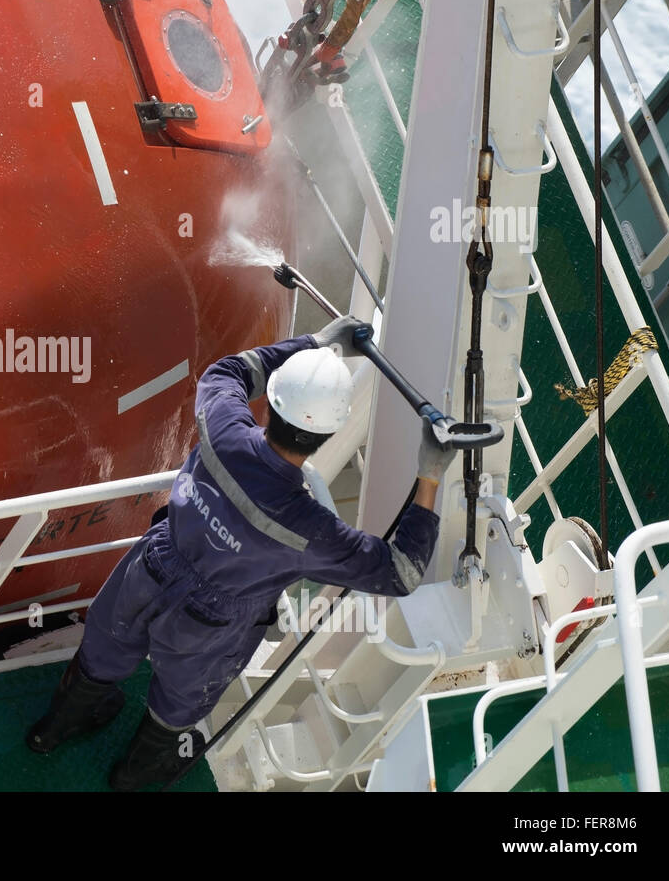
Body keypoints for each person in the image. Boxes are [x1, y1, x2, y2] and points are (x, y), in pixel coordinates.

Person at [24, 316, 455, 790]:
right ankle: (134, 775)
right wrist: (429, 475)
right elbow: (402, 573)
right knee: (181, 699)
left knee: (108, 643)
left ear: (269, 404)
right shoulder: (309, 527)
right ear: (328, 436)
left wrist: (314, 344)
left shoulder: (223, 426)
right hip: (209, 624)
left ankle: (51, 731)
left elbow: (227, 371)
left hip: (154, 564)